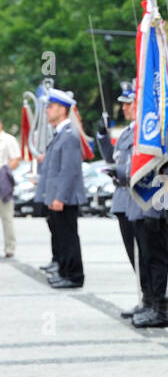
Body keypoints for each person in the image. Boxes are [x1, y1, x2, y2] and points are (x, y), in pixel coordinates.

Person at [40, 88, 86, 289]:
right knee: (62, 237)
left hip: (64, 198)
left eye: (51, 107)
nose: (48, 110)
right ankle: (65, 272)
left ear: (62, 109)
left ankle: (74, 276)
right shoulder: (60, 134)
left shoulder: (69, 135)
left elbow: (69, 171)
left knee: (68, 238)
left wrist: (60, 197)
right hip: (57, 197)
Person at [0, 116, 20, 257]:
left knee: (7, 217)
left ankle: (9, 248)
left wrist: (4, 172)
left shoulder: (8, 140)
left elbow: (15, 160)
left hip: (2, 180)